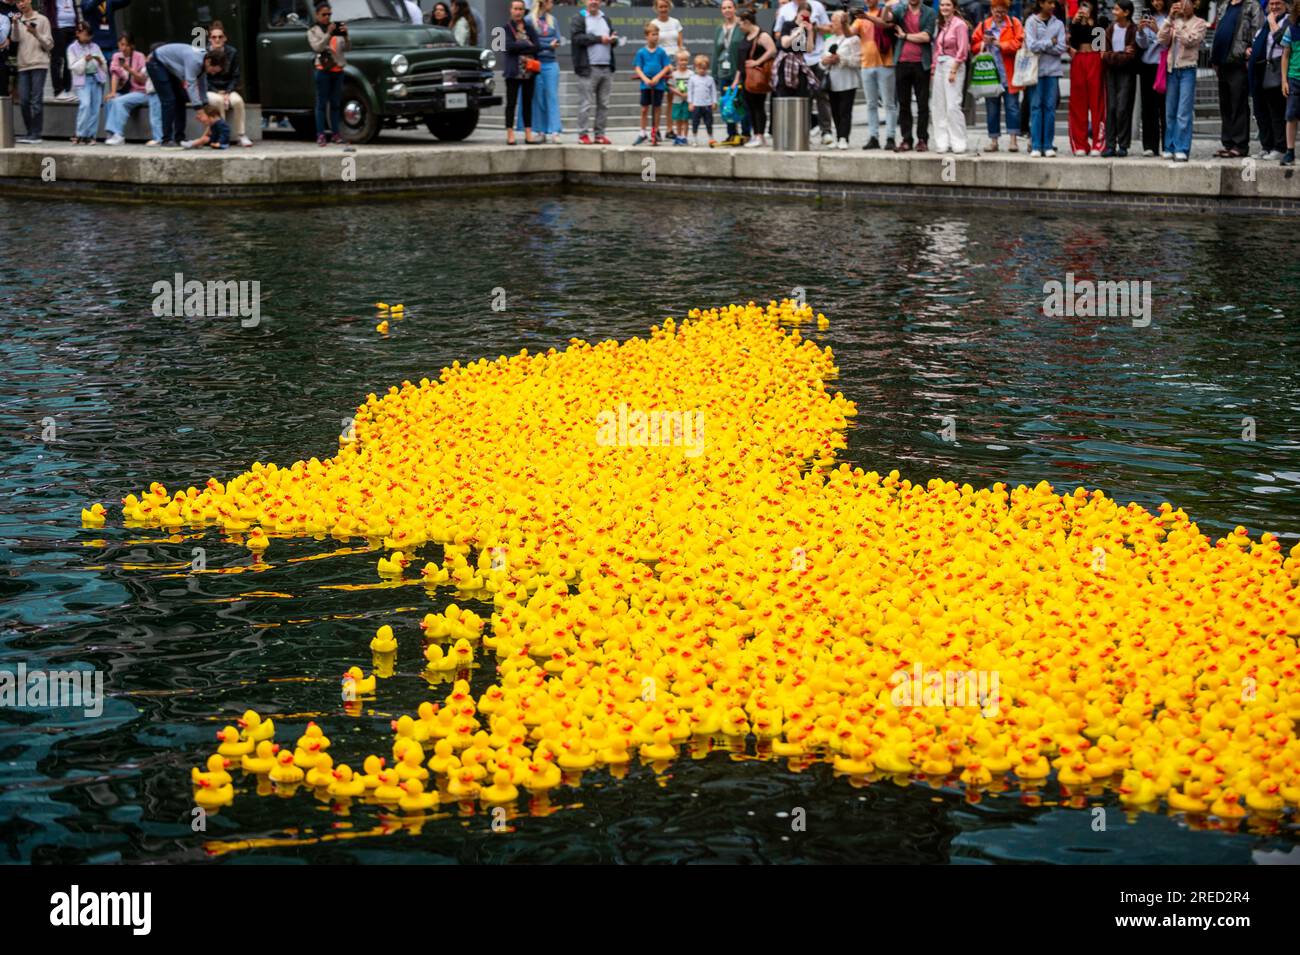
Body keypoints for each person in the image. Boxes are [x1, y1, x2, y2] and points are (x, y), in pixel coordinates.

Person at [147, 40, 224, 149]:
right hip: (156, 62)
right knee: (169, 101)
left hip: (169, 67)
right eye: (213, 70)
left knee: (180, 99)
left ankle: (179, 137)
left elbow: (202, 85)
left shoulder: (204, 63)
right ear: (208, 61)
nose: (213, 73)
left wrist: (206, 106)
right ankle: (166, 139)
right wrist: (200, 110)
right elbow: (191, 85)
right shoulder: (195, 60)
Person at [1210, 0, 1262, 157]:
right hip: (1222, 62)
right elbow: (1219, 30)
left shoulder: (1252, 5)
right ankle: (1228, 143)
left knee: (1238, 104)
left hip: (1238, 62)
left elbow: (1258, 30)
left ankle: (1240, 145)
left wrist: (1251, 49)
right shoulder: (1225, 5)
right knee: (1225, 105)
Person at [778, 0, 834, 144]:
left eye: (807, 17)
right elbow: (784, 43)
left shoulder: (816, 10)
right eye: (802, 16)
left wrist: (810, 31)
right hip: (787, 65)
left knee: (814, 95)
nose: (804, 19)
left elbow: (807, 49)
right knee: (787, 97)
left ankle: (814, 132)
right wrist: (797, 30)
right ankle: (788, 133)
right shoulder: (788, 25)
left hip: (804, 62)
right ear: (797, 14)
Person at [1158, 0, 1207, 161]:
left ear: (1194, 5)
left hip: (1188, 69)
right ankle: (1169, 147)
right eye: (1181, 2)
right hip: (1172, 69)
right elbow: (1162, 40)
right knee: (1170, 111)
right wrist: (1169, 19)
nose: (1183, 6)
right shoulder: (1174, 21)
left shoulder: (1200, 23)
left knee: (1183, 112)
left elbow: (1191, 41)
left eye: (1187, 2)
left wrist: (1177, 28)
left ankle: (1182, 148)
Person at [972, 0, 1023, 151]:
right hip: (990, 75)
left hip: (1009, 74)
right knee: (992, 108)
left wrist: (1001, 44)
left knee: (1012, 107)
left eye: (1003, 12)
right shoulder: (984, 25)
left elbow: (1019, 43)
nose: (999, 15)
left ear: (1007, 10)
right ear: (992, 10)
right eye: (996, 11)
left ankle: (1013, 140)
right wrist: (983, 43)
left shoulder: (1014, 23)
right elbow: (973, 45)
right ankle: (993, 140)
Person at [888, 0, 937, 151]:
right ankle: (906, 138)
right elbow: (887, 20)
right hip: (902, 62)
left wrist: (905, 36)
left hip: (921, 63)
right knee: (903, 104)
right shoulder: (900, 10)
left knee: (922, 104)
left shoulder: (929, 12)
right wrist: (887, 6)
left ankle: (922, 139)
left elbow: (926, 37)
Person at [572, 0, 619, 145]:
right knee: (585, 103)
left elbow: (611, 40)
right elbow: (577, 38)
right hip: (588, 68)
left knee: (604, 104)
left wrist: (613, 40)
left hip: (606, 67)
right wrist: (600, 39)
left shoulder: (606, 18)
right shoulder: (579, 18)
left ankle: (599, 134)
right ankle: (583, 135)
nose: (593, 2)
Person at [104, 31, 161, 145]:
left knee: (119, 101)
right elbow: (115, 75)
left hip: (141, 92)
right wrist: (113, 92)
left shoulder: (139, 56)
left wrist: (128, 68)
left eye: (126, 45)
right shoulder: (116, 56)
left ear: (132, 45)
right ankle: (111, 134)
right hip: (126, 91)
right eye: (121, 44)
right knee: (111, 100)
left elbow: (143, 79)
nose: (123, 48)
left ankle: (118, 134)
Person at [1025, 0, 1066, 156]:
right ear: (1041, 4)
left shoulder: (1059, 24)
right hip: (1035, 71)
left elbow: (1061, 47)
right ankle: (1036, 145)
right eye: (1049, 2)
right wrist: (1050, 42)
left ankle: (1048, 145)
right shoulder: (1031, 21)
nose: (1053, 6)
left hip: (1053, 71)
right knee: (1036, 107)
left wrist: (1043, 46)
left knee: (1050, 108)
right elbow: (1031, 45)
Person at [855, 0, 897, 149]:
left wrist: (866, 17)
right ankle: (873, 136)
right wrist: (843, 21)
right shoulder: (860, 18)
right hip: (866, 64)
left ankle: (891, 137)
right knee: (871, 104)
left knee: (889, 103)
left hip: (886, 63)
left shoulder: (885, 11)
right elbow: (849, 33)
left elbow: (884, 23)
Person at [1067, 0, 1106, 156]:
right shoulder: (1075, 22)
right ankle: (1080, 144)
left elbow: (1100, 44)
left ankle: (1098, 142)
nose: (1083, 9)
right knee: (1078, 102)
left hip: (1095, 59)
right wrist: (1076, 24)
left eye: (1086, 6)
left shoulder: (1100, 21)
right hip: (1079, 60)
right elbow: (1074, 45)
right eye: (1081, 6)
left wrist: (1090, 24)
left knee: (1097, 102)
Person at [1250, 0, 1289, 159]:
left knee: (1277, 110)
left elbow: (1281, 40)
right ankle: (1266, 145)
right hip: (1261, 70)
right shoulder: (1265, 22)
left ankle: (1280, 147)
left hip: (1277, 70)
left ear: (1285, 5)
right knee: (1261, 110)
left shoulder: (1287, 21)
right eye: (1271, 4)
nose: (1274, 7)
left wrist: (1272, 22)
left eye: (1278, 3)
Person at [929, 0, 969, 152]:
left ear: (954, 7)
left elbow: (963, 49)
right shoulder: (941, 25)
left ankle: (958, 141)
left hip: (954, 65)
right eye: (942, 5)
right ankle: (942, 141)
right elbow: (937, 49)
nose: (944, 8)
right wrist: (933, 70)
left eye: (948, 5)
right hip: (940, 65)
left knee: (953, 105)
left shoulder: (960, 25)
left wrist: (954, 69)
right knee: (938, 106)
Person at [307, 1, 349, 145]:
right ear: (317, 15)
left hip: (338, 69)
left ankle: (336, 133)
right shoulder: (313, 31)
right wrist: (328, 34)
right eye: (324, 14)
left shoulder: (336, 29)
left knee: (336, 103)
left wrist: (346, 35)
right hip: (323, 70)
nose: (327, 17)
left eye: (329, 14)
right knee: (321, 104)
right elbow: (317, 47)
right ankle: (320, 134)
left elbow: (346, 48)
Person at [519, 0, 560, 143]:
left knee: (552, 97)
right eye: (550, 1)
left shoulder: (552, 19)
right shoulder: (529, 20)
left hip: (551, 63)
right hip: (535, 63)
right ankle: (540, 131)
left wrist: (544, 45)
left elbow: (558, 39)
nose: (552, 4)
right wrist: (548, 45)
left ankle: (555, 131)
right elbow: (529, 43)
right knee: (537, 98)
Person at [1100, 0, 1137, 156]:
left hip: (1127, 73)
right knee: (1112, 108)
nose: (1113, 12)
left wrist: (1112, 56)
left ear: (1126, 12)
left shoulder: (1133, 30)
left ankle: (1123, 145)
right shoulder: (1109, 29)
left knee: (1123, 108)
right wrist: (1121, 54)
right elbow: (1102, 55)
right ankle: (1110, 145)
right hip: (1111, 73)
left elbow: (1132, 56)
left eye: (1117, 9)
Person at [206, 20, 251, 148]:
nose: (217, 39)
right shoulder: (204, 53)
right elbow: (202, 78)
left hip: (227, 88)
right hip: (211, 88)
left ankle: (241, 135)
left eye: (220, 37)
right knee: (218, 101)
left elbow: (236, 75)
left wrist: (228, 91)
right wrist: (216, 91)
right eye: (214, 37)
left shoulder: (232, 52)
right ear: (210, 39)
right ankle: (222, 136)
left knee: (238, 101)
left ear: (225, 38)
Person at [13, 0, 52, 144]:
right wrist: (16, 24)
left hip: (39, 63)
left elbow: (49, 45)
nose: (21, 4)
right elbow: (15, 38)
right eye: (17, 2)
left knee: (36, 100)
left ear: (29, 0)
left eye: (23, 0)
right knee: (23, 100)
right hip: (23, 64)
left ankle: (36, 134)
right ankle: (30, 132)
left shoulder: (42, 20)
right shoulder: (18, 20)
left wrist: (36, 33)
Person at [502, 0, 540, 145]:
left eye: (520, 9)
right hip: (513, 72)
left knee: (527, 102)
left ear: (524, 11)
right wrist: (526, 44)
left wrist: (521, 46)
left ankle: (528, 133)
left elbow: (537, 46)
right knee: (511, 103)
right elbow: (508, 47)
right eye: (515, 9)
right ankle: (510, 134)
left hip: (529, 71)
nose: (518, 12)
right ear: (510, 10)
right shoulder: (504, 28)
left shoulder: (530, 27)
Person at [713, 0, 750, 144]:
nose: (727, 10)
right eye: (724, 8)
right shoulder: (718, 29)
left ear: (735, 9)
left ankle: (746, 133)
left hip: (738, 72)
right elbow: (716, 52)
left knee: (741, 103)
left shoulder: (740, 27)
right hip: (723, 71)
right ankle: (731, 133)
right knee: (726, 104)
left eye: (729, 7)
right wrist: (714, 73)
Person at [822, 9, 861, 148]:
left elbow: (858, 61)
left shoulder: (853, 39)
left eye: (834, 20)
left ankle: (844, 137)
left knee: (845, 110)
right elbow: (822, 60)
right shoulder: (829, 40)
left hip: (848, 80)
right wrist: (825, 61)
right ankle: (839, 136)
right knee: (835, 110)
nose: (831, 23)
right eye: (831, 20)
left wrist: (841, 59)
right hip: (832, 80)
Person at [738, 7, 775, 146]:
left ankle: (760, 135)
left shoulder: (762, 35)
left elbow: (772, 50)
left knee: (758, 105)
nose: (739, 27)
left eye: (740, 23)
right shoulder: (746, 36)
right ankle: (757, 134)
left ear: (747, 22)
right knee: (750, 106)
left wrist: (757, 62)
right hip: (745, 76)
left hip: (757, 76)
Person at [1135, 0, 1167, 155]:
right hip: (1147, 65)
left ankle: (1167, 145)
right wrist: (1141, 31)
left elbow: (1168, 42)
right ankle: (1149, 145)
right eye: (1153, 0)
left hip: (1163, 66)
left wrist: (1157, 30)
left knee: (1165, 107)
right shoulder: (1148, 18)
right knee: (1148, 107)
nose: (1156, 3)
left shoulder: (1170, 18)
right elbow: (1142, 45)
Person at [66, 19, 105, 143]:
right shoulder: (72, 48)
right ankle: (79, 133)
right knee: (85, 105)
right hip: (83, 80)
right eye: (85, 34)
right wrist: (85, 60)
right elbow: (73, 67)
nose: (88, 37)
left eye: (89, 34)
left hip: (96, 78)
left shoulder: (95, 46)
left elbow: (103, 62)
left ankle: (91, 135)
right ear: (78, 33)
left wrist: (99, 61)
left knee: (95, 108)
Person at [634, 20, 671, 144]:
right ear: (646, 36)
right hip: (645, 84)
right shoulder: (641, 52)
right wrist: (645, 79)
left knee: (657, 108)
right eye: (653, 34)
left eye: (657, 34)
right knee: (644, 108)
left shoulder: (661, 52)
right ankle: (642, 132)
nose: (655, 37)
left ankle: (655, 131)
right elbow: (638, 68)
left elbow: (666, 66)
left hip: (658, 84)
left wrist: (657, 78)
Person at [1279, 0, 1300, 164]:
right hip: (1294, 78)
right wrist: (1284, 80)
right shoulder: (1291, 30)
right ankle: (1290, 151)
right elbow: (1285, 55)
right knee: (1291, 115)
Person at [45, 0, 77, 100]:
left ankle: (67, 89)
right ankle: (58, 91)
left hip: (72, 27)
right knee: (57, 59)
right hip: (58, 27)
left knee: (70, 60)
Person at [79, 0, 127, 65]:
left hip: (111, 46)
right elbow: (89, 7)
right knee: (100, 73)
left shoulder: (109, 2)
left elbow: (124, 2)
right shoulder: (85, 1)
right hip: (96, 47)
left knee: (116, 71)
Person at [688, 52, 718, 144]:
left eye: (704, 68)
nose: (702, 70)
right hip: (696, 105)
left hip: (707, 105)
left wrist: (714, 102)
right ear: (695, 67)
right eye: (699, 68)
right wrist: (690, 102)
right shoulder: (692, 79)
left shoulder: (710, 79)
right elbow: (690, 91)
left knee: (709, 122)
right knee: (695, 123)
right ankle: (694, 138)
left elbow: (713, 91)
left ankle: (711, 137)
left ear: (707, 68)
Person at [668, 48, 692, 144]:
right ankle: (678, 136)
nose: (683, 62)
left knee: (685, 119)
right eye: (681, 60)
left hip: (687, 100)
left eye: (685, 60)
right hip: (677, 100)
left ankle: (684, 137)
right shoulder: (674, 74)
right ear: (677, 61)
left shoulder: (691, 74)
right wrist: (678, 93)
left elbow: (693, 86)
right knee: (678, 119)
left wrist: (688, 93)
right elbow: (670, 86)